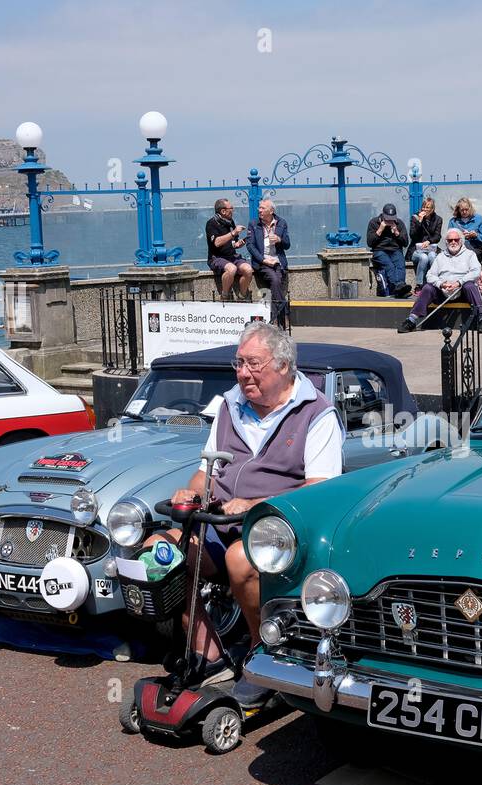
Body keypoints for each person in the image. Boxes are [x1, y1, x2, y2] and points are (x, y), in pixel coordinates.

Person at [156, 322, 344, 705]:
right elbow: (204, 470)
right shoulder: (228, 405)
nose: (242, 373)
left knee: (240, 559)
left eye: (253, 364)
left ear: (282, 365)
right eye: (239, 363)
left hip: (278, 533)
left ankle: (265, 656)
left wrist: (255, 506)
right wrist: (192, 491)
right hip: (222, 522)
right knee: (159, 553)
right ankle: (208, 656)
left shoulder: (317, 414)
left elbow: (322, 492)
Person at [398, 228, 482, 333]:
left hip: (462, 291)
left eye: (456, 239)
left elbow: (476, 272)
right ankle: (411, 320)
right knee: (427, 288)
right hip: (443, 292)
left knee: (470, 286)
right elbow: (430, 275)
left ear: (461, 241)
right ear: (446, 242)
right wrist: (441, 284)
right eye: (450, 240)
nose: (453, 242)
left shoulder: (470, 254)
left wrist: (459, 283)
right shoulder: (440, 256)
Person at [247, 199, 291, 328]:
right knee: (275, 279)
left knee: (276, 280)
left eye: (262, 208)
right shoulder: (253, 224)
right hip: (263, 262)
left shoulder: (281, 223)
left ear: (271, 211)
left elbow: (287, 245)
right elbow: (250, 246)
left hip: (277, 261)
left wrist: (279, 239)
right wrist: (263, 260)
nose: (259, 210)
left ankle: (277, 318)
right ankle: (284, 315)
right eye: (259, 208)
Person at [204, 198, 253, 300]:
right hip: (217, 257)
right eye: (231, 208)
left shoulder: (230, 222)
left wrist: (243, 241)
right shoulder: (211, 223)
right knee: (232, 269)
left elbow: (233, 244)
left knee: (248, 270)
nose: (233, 210)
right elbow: (217, 243)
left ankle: (242, 296)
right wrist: (233, 233)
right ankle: (225, 295)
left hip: (232, 256)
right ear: (223, 211)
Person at [366, 203, 412, 297]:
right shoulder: (373, 223)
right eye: (388, 218)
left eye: (392, 218)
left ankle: (399, 288)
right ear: (383, 215)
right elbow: (370, 243)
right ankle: (399, 287)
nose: (390, 220)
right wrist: (380, 230)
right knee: (389, 265)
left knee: (400, 263)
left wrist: (396, 232)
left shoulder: (399, 223)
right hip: (379, 250)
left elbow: (405, 243)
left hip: (395, 250)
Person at [408, 196, 443, 288]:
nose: (425, 209)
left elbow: (437, 236)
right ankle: (419, 285)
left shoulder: (438, 219)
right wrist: (419, 221)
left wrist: (429, 241)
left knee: (432, 256)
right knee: (423, 258)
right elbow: (412, 235)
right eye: (423, 207)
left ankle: (434, 283)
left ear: (432, 209)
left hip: (430, 248)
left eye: (428, 207)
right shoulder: (415, 217)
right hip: (416, 250)